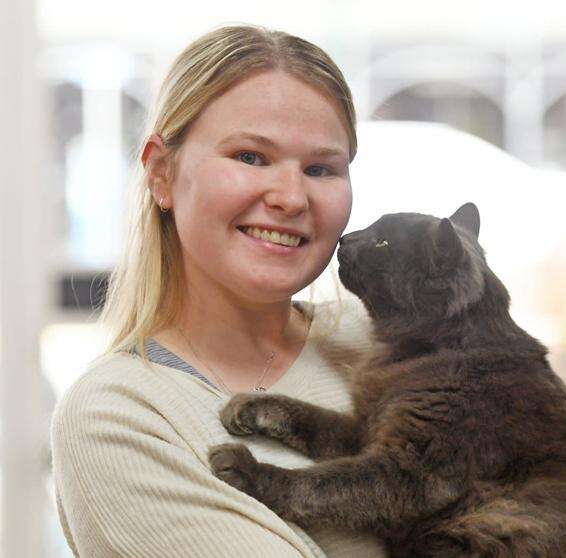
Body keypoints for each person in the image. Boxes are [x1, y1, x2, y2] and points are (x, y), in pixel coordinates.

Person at [50, 24, 387, 557]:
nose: (291, 197)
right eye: (251, 157)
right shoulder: (120, 416)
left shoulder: (383, 345)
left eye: (321, 168)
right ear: (162, 172)